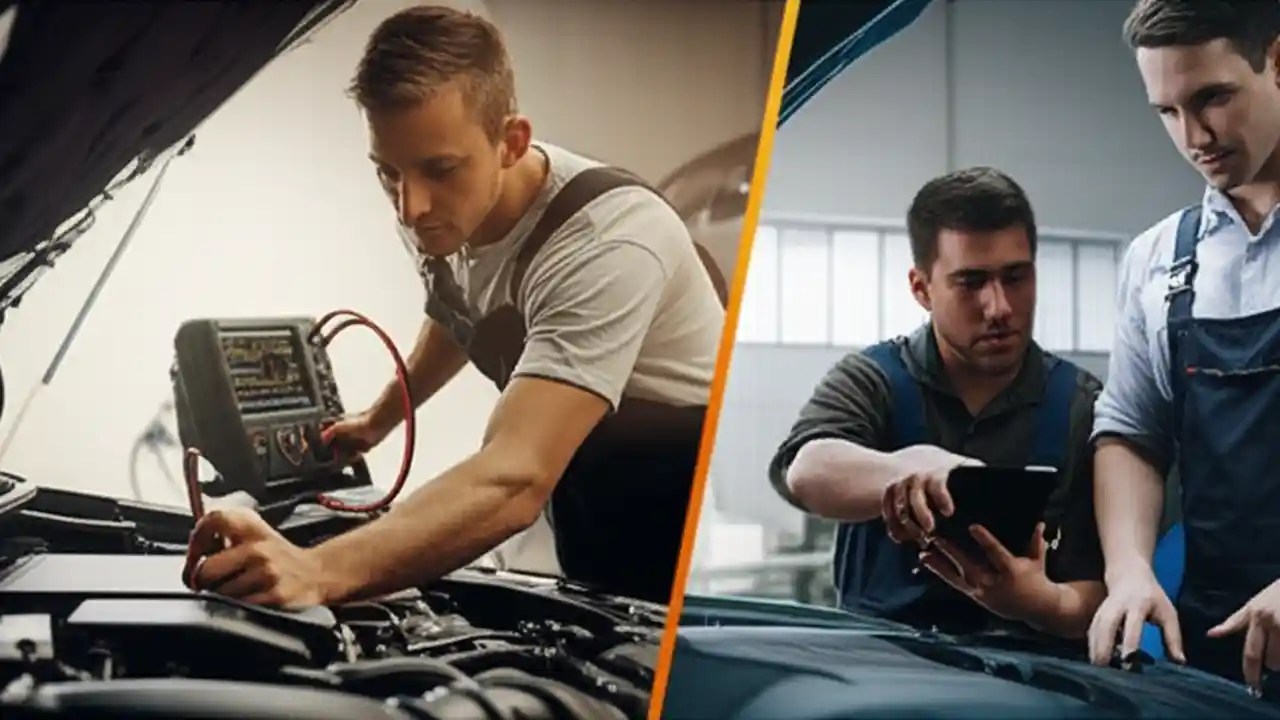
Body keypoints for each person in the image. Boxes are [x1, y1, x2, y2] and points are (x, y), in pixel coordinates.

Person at [182, 5, 727, 607]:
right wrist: (380, 420)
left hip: (683, 515)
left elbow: (516, 475)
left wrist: (318, 571)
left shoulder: (607, 242)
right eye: (387, 172)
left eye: (439, 169)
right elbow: (458, 308)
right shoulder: (440, 209)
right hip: (590, 491)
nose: (410, 206)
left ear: (511, 142)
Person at [767, 167, 1106, 639]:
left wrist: (1038, 602)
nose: (1000, 307)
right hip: (883, 671)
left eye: (1016, 277)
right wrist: (912, 472)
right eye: (971, 282)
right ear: (921, 288)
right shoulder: (874, 378)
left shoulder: (1083, 407)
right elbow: (808, 469)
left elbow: (1099, 598)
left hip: (1030, 685)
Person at [1087, 0, 1280, 692]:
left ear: (1277, 61)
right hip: (1214, 662)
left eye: (1212, 99)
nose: (1194, 136)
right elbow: (1132, 432)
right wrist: (1130, 569)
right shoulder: (1158, 261)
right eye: (1166, 112)